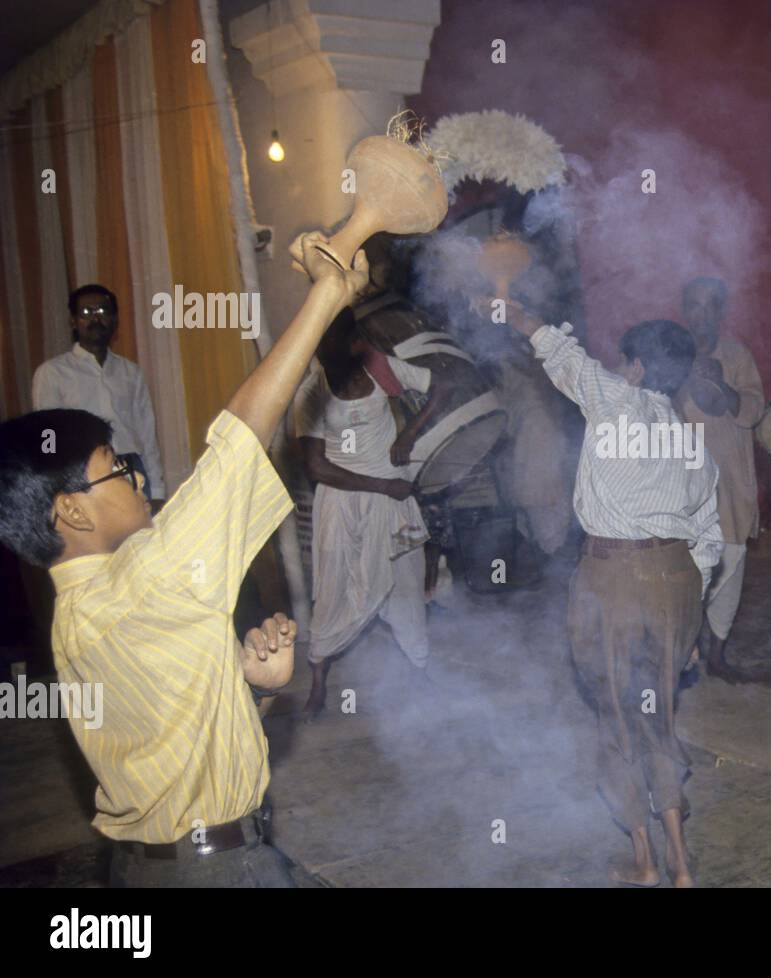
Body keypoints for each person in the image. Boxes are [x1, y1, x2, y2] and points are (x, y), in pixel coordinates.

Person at [0, 231, 369, 886]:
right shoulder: (144, 582)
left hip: (164, 865)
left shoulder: (84, 610)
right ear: (74, 512)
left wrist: (250, 686)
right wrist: (328, 292)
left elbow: (174, 737)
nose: (138, 481)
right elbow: (240, 439)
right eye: (116, 473)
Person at [504, 303, 721, 888]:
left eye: (624, 360)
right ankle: (682, 865)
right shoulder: (692, 443)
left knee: (618, 715)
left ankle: (648, 863)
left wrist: (505, 301)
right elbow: (708, 541)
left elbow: (555, 348)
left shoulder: (617, 401)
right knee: (659, 712)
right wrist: (692, 625)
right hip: (676, 580)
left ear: (637, 367)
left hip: (613, 578)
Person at [293, 306, 443, 719]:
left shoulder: (378, 366)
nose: (334, 351)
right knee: (335, 587)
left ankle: (419, 667)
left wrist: (410, 433)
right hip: (342, 503)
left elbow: (440, 387)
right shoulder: (310, 393)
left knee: (408, 581)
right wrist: (383, 486)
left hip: (396, 502)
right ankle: (319, 678)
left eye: (344, 340)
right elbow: (316, 467)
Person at [677, 277, 764, 682]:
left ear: (720, 312)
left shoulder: (737, 356)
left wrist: (720, 384)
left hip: (729, 484)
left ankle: (718, 655)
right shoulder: (672, 357)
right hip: (684, 488)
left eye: (710, 306)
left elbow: (752, 412)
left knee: (729, 568)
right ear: (685, 310)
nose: (701, 314)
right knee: (688, 573)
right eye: (693, 306)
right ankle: (684, 654)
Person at [33, 284, 167, 508]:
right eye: (86, 313)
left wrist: (158, 489)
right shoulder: (53, 372)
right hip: (82, 473)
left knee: (142, 540)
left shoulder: (130, 372)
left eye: (103, 311)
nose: (96, 318)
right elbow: (47, 433)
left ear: (115, 320)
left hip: (132, 468)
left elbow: (147, 432)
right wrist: (55, 485)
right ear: (74, 322)